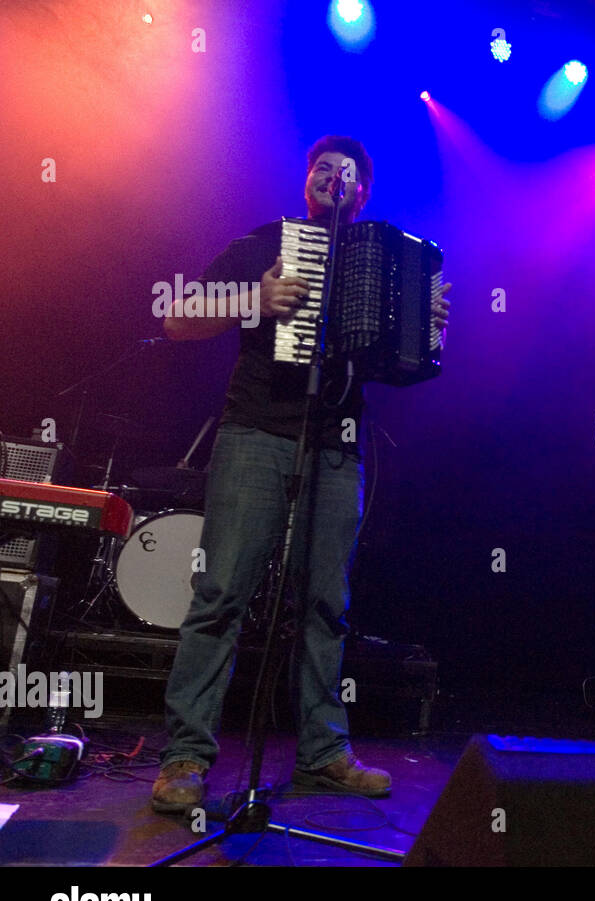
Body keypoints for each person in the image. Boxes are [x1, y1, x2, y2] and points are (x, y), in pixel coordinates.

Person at [151, 135, 451, 813]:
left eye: (347, 173)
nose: (333, 178)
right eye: (323, 168)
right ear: (307, 181)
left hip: (337, 446)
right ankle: (185, 760)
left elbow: (404, 363)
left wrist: (427, 326)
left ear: (364, 191)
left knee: (324, 605)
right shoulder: (264, 242)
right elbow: (177, 318)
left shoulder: (388, 262)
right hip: (256, 432)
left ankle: (322, 754)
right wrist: (253, 298)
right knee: (222, 594)